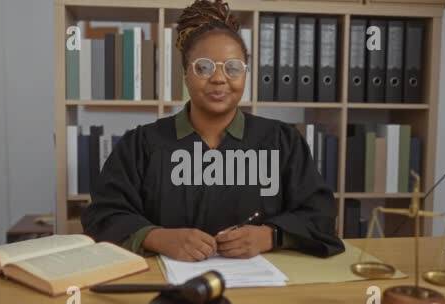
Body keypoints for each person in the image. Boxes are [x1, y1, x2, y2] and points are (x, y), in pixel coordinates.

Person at [81, 0, 344, 262]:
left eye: (233, 68)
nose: (219, 78)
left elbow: (319, 212)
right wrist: (157, 237)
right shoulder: (141, 144)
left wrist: (271, 235)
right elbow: (103, 214)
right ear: (185, 73)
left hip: (264, 288)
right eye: (204, 67)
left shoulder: (282, 142)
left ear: (245, 75)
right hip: (164, 284)